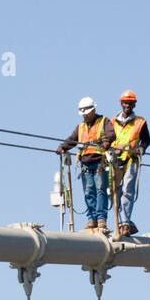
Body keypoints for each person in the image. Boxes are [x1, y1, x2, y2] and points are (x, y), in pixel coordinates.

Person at [57, 98, 115, 232]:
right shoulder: (81, 127)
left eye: (87, 113)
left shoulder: (103, 122)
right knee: (89, 192)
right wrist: (63, 147)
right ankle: (92, 218)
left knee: (100, 190)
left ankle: (101, 218)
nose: (85, 115)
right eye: (83, 113)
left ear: (93, 110)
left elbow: (111, 134)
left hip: (99, 162)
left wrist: (106, 142)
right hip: (86, 164)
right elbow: (72, 140)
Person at [109, 90, 150, 236]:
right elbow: (108, 138)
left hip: (131, 159)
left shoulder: (140, 122)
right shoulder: (113, 121)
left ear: (134, 104)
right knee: (115, 191)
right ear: (122, 103)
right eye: (125, 102)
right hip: (115, 159)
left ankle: (125, 223)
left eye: (130, 103)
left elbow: (147, 139)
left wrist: (142, 148)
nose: (127, 105)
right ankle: (124, 221)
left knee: (127, 190)